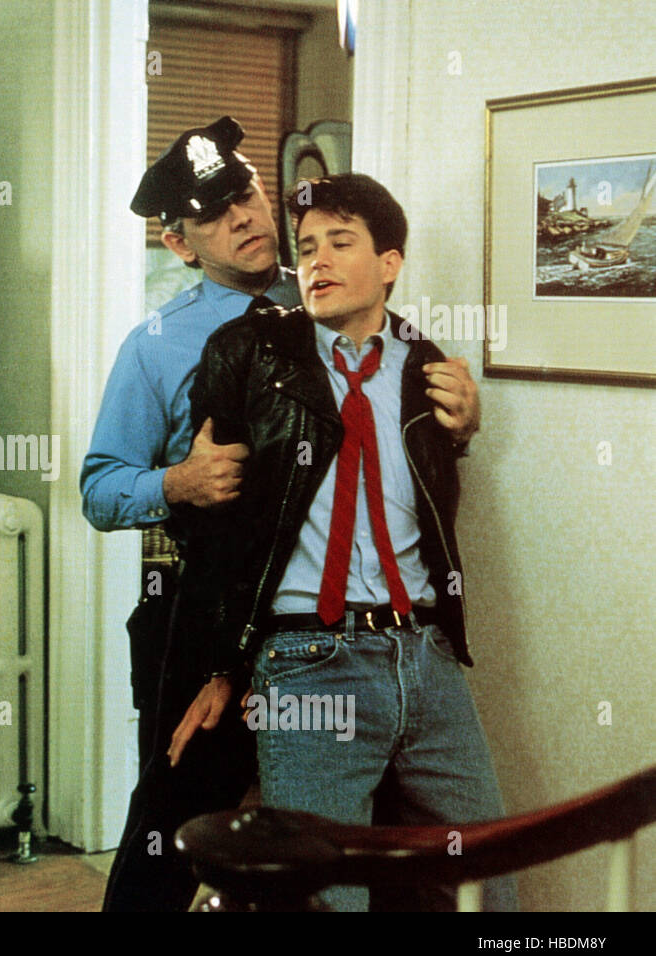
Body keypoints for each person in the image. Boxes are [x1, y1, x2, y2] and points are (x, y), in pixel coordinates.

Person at [174, 172, 512, 911]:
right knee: (323, 897)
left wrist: (468, 428)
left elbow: (427, 494)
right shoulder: (250, 353)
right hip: (308, 660)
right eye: (306, 246)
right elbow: (211, 529)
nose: (316, 260)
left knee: (486, 878)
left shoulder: (429, 369)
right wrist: (222, 661)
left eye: (340, 242)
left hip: (426, 656)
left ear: (389, 262)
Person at [81, 115, 303, 912]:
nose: (243, 216)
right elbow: (99, 488)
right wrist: (178, 483)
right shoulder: (156, 346)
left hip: (316, 623)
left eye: (245, 193)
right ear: (180, 245)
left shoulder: (334, 307)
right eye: (213, 213)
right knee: (170, 835)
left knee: (309, 835)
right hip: (192, 616)